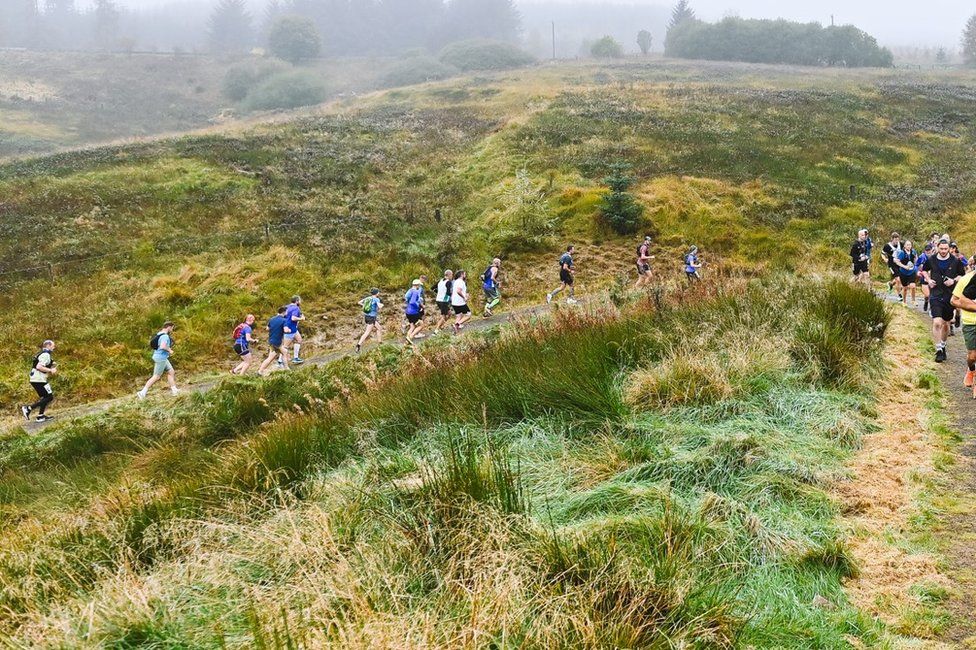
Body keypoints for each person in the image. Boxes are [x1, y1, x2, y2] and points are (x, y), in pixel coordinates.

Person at [922, 240, 967, 363]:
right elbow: (924, 270)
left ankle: (943, 344)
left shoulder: (955, 261)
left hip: (949, 296)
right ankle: (938, 350)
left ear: (949, 249)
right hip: (936, 295)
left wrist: (953, 280)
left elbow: (962, 275)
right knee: (937, 322)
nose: (943, 251)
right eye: (941, 249)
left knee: (946, 324)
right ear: (937, 247)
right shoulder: (931, 260)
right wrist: (928, 280)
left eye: (945, 249)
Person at [138, 321, 179, 399]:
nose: (172, 330)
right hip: (161, 358)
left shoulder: (159, 333)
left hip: (161, 357)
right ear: (169, 327)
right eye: (172, 328)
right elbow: (163, 346)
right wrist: (170, 350)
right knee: (156, 376)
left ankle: (174, 390)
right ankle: (142, 392)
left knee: (171, 372)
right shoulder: (165, 336)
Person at [952, 268, 976, 398]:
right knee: (972, 357)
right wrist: (968, 306)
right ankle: (971, 369)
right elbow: (954, 300)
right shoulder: (966, 279)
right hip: (970, 322)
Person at [21, 340, 57, 422]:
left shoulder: (42, 353)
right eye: (53, 346)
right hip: (38, 379)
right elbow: (39, 366)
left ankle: (40, 416)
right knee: (49, 397)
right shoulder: (45, 355)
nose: (54, 347)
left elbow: (39, 363)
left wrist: (51, 364)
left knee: (45, 397)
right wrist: (51, 370)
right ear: (48, 346)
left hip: (37, 379)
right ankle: (28, 408)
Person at [258, 307, 289, 376]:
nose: (287, 313)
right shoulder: (284, 320)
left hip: (271, 340)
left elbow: (267, 328)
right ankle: (260, 371)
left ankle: (260, 371)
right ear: (283, 312)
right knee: (274, 356)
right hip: (277, 341)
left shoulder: (272, 319)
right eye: (286, 312)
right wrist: (289, 330)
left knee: (284, 352)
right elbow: (286, 330)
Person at [356, 288, 383, 353]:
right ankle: (358, 345)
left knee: (379, 328)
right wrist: (381, 305)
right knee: (367, 332)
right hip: (372, 317)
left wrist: (364, 305)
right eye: (378, 292)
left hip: (367, 317)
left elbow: (359, 302)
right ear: (376, 293)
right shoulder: (376, 299)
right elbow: (379, 306)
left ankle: (380, 343)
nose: (379, 293)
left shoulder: (368, 298)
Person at [283, 295, 306, 365]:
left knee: (299, 340)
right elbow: (293, 318)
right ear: (297, 301)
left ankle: (295, 358)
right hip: (290, 329)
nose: (300, 302)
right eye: (300, 300)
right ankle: (280, 361)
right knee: (285, 346)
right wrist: (301, 319)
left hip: (290, 328)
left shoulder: (286, 307)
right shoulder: (296, 308)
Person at [404, 279, 426, 345]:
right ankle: (411, 337)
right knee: (422, 325)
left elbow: (407, 299)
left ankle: (407, 341)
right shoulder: (415, 291)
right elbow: (413, 302)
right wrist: (419, 306)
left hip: (408, 311)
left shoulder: (409, 290)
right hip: (413, 312)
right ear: (418, 285)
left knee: (412, 326)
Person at [917, 243, 934, 312]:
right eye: (926, 250)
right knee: (927, 295)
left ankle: (932, 308)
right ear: (924, 251)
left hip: (932, 277)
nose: (928, 252)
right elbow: (916, 265)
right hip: (924, 277)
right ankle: (926, 302)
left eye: (929, 250)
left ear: (932, 250)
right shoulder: (921, 257)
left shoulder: (935, 257)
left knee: (933, 294)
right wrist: (918, 271)